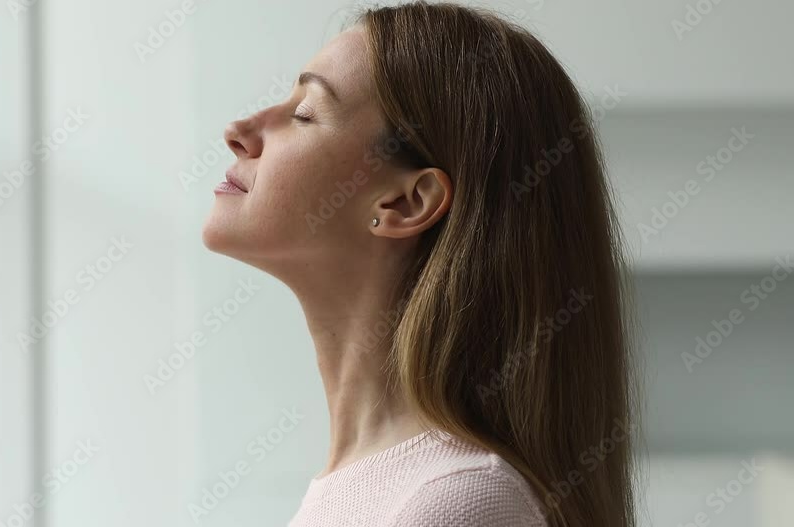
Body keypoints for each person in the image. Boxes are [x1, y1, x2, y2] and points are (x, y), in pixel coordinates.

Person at [202, 2, 638, 526]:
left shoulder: (455, 503)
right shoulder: (373, 489)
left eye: (304, 114)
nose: (239, 130)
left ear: (406, 203)